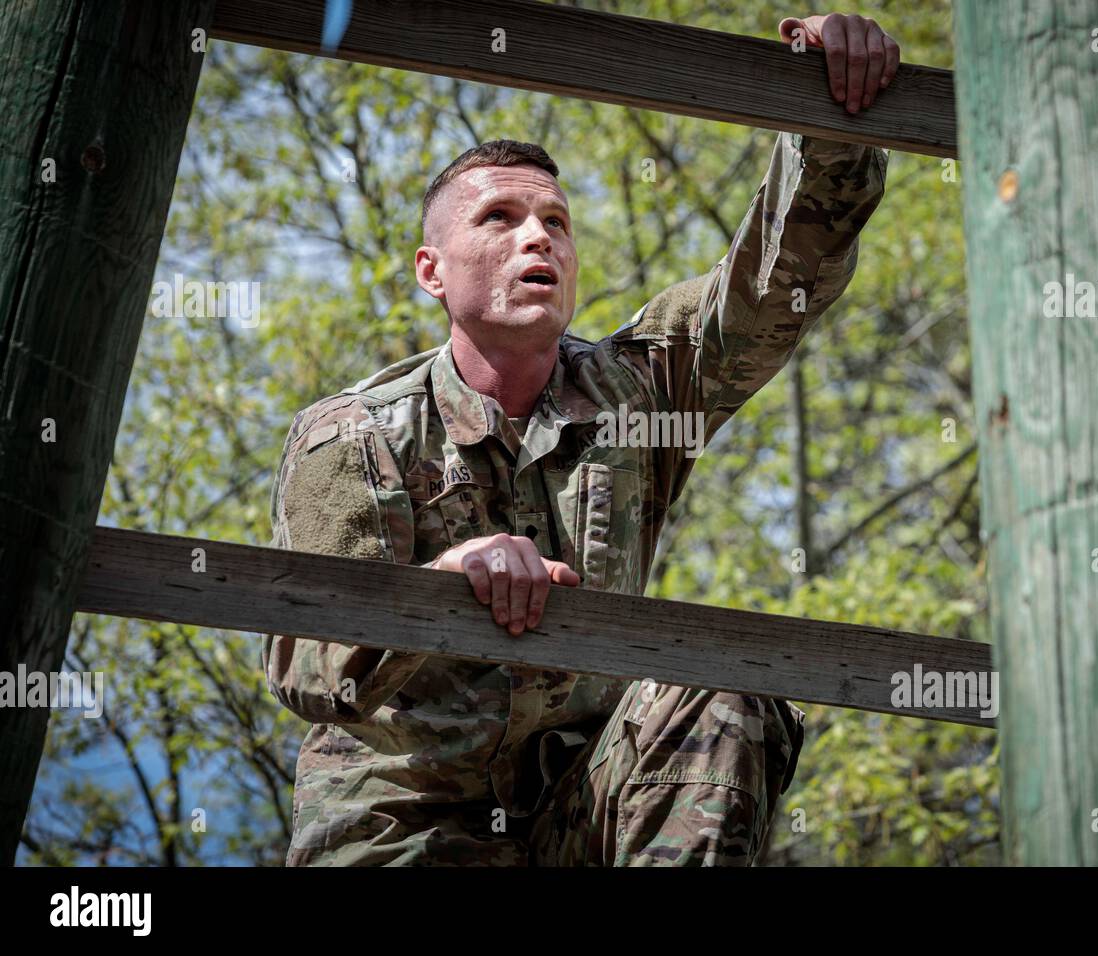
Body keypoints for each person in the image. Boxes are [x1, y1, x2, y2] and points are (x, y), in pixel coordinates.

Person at [263, 12, 897, 865]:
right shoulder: (355, 434)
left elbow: (772, 289)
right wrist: (442, 587)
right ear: (431, 271)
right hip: (403, 834)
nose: (538, 237)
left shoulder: (638, 390)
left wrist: (830, 111)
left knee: (723, 682)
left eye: (555, 223)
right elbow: (310, 663)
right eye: (499, 218)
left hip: (589, 817)